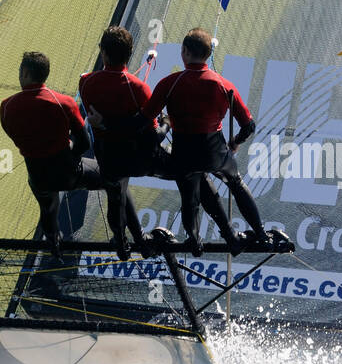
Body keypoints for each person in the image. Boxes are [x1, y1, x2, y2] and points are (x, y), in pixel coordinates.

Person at [80, 24, 239, 257]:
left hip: (112, 160)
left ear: (103, 52)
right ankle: (224, 234)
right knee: (195, 172)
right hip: (145, 159)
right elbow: (155, 134)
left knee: (117, 190)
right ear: (130, 54)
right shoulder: (139, 88)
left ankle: (126, 244)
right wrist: (166, 122)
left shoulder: (85, 82)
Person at [144, 27, 282, 257]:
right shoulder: (223, 85)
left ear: (184, 52)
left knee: (190, 198)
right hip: (215, 152)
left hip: (184, 153)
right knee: (236, 184)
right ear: (208, 55)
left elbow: (147, 118)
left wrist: (164, 123)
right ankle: (261, 234)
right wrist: (236, 143)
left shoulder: (170, 83)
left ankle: (195, 241)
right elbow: (249, 125)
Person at [0, 50, 140, 259]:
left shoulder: (6, 106)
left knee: (48, 207)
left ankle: (55, 245)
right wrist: (67, 152)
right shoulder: (63, 102)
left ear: (27, 73)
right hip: (70, 172)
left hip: (38, 178)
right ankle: (126, 240)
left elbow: (16, 137)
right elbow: (84, 142)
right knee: (116, 178)